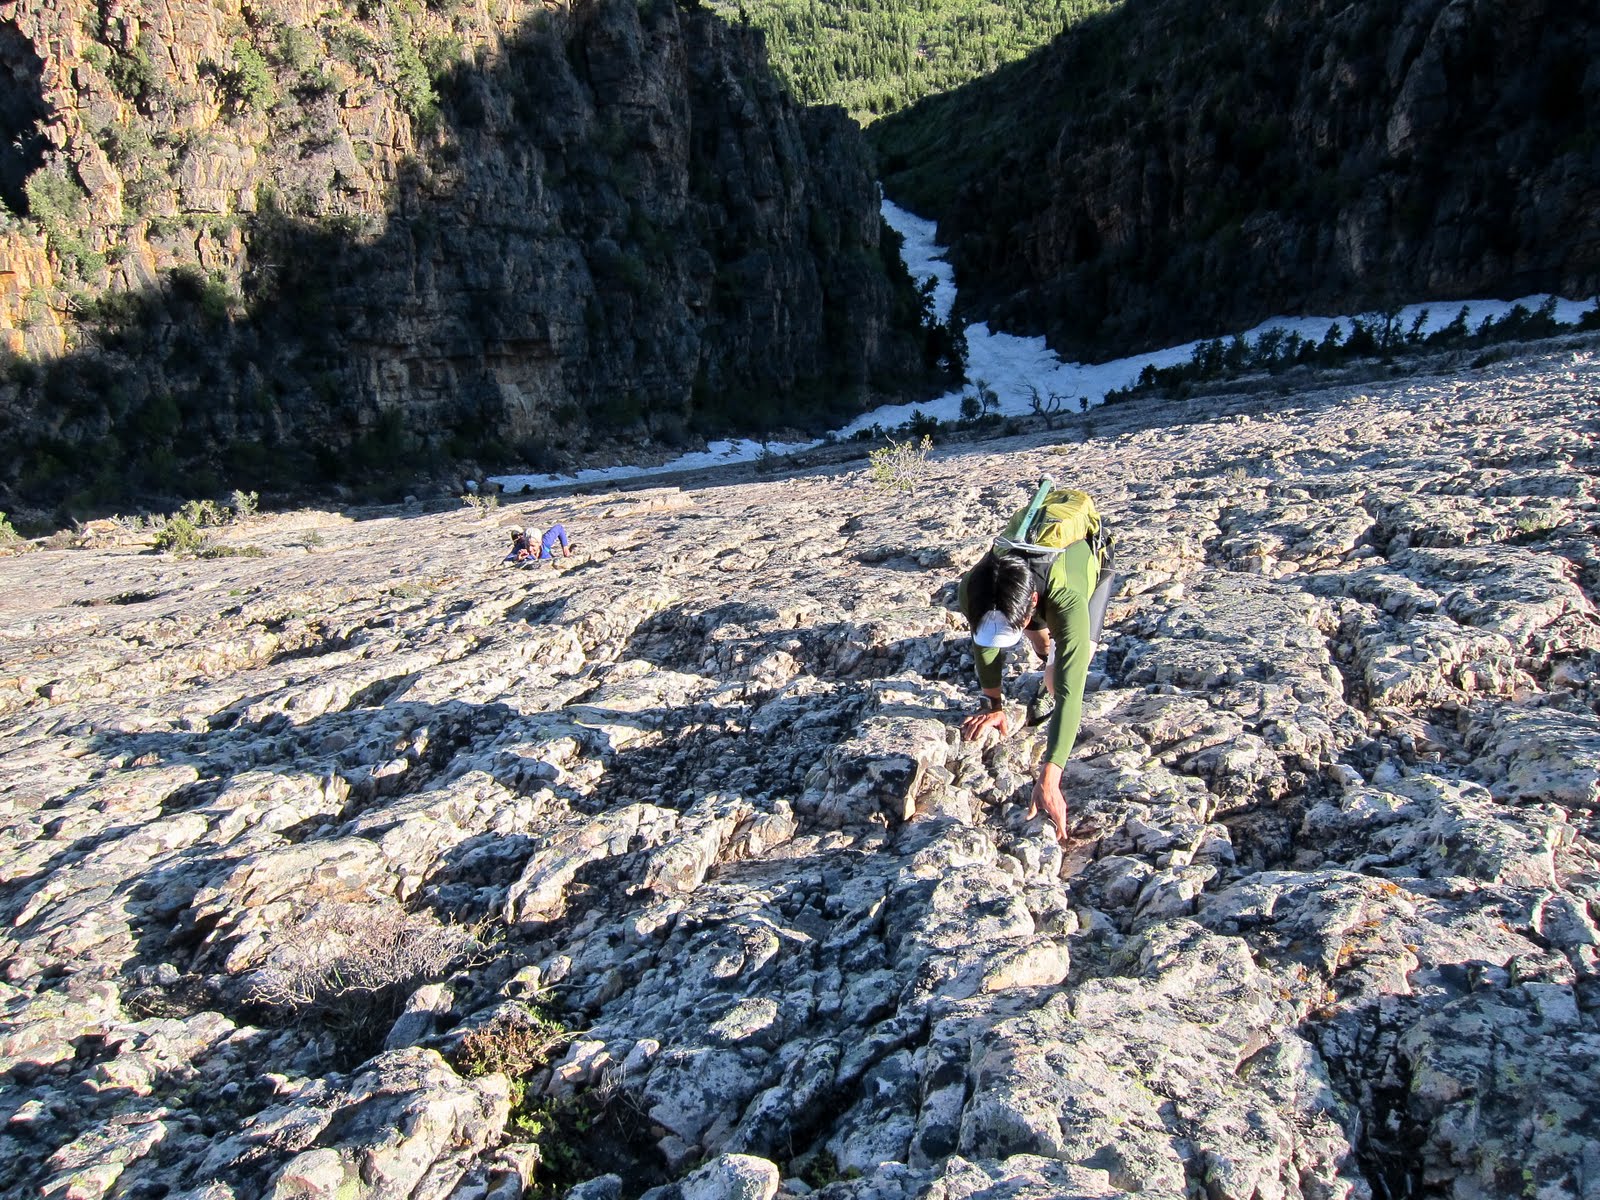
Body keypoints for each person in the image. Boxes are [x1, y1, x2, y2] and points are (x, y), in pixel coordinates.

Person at [956, 494, 1114, 844]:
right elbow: (985, 646)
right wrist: (993, 707)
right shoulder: (976, 588)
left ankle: (1049, 674)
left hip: (1087, 569)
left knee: (1059, 679)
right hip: (1024, 590)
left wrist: (1050, 776)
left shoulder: (1067, 602)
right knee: (1043, 646)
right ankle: (1047, 655)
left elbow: (1072, 696)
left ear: (1031, 604)